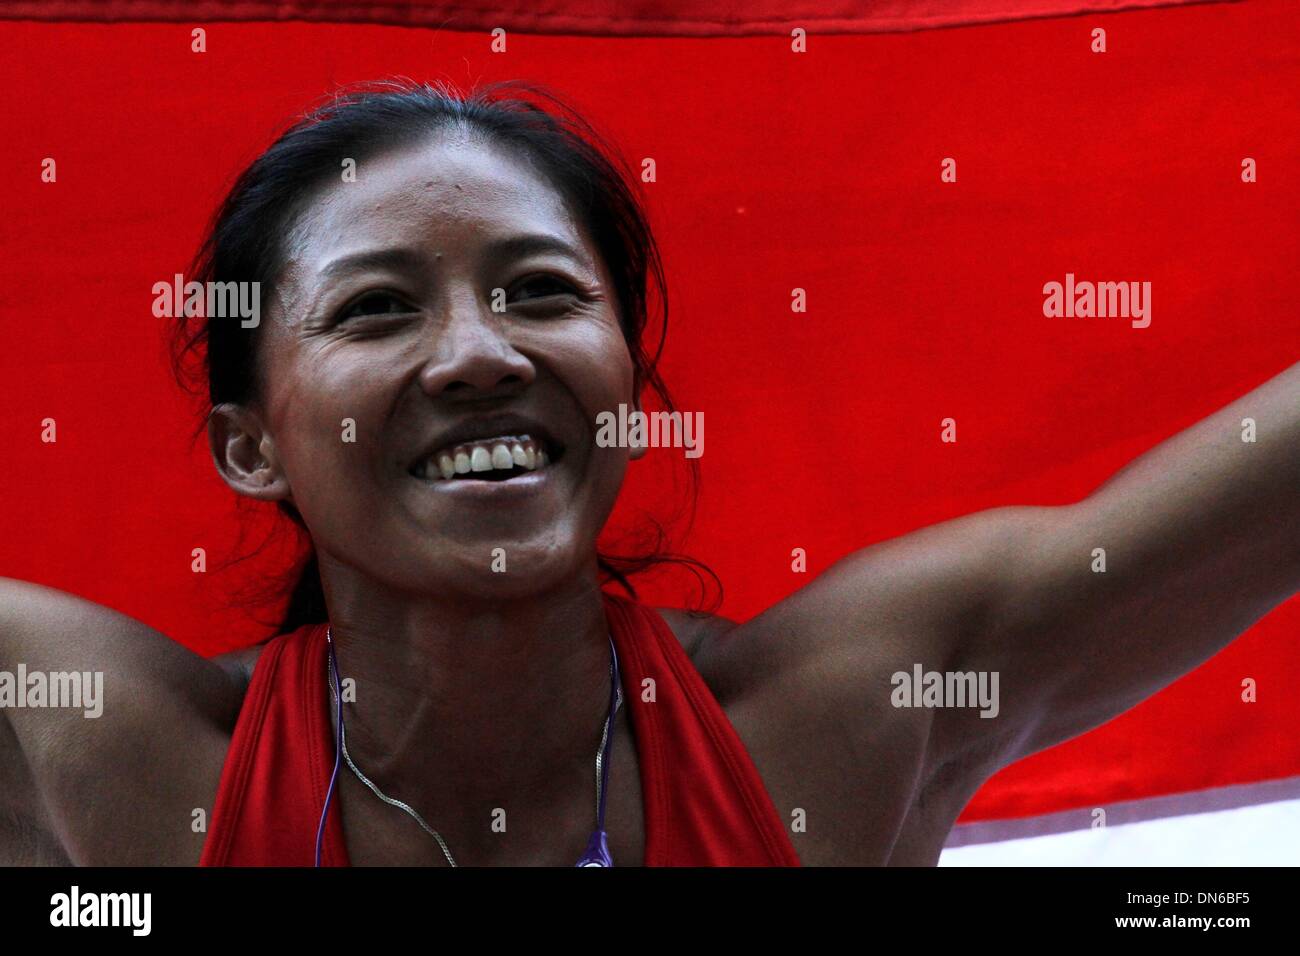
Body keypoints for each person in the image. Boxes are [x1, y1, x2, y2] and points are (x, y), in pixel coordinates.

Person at [1, 80, 1296, 867]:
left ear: (629, 386)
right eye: (377, 310)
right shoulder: (108, 751)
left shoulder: (838, 720)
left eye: (544, 294)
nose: (478, 355)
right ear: (250, 444)